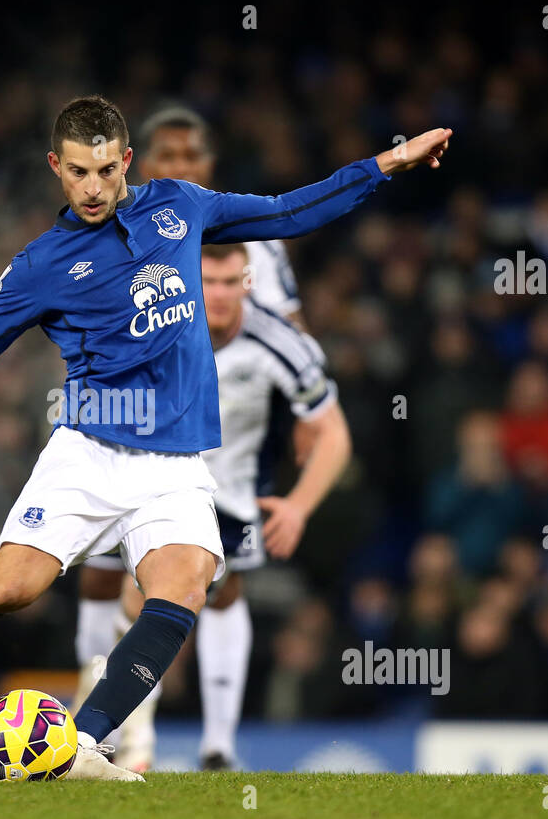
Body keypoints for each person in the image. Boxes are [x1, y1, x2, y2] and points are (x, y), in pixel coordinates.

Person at [0, 95, 450, 782]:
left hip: (174, 465)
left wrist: (385, 164)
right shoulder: (41, 265)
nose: (93, 188)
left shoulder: (180, 205)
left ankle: (81, 743)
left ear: (127, 162)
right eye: (78, 173)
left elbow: (286, 212)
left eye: (106, 171)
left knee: (185, 583)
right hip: (89, 456)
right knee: (8, 590)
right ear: (56, 167)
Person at [84, 243, 352, 772]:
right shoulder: (151, 327)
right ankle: (127, 741)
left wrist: (298, 507)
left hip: (229, 494)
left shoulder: (278, 341)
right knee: (140, 597)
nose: (221, 295)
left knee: (224, 594)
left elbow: (334, 434)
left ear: (248, 282)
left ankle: (215, 748)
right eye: (209, 282)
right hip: (154, 481)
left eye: (232, 283)